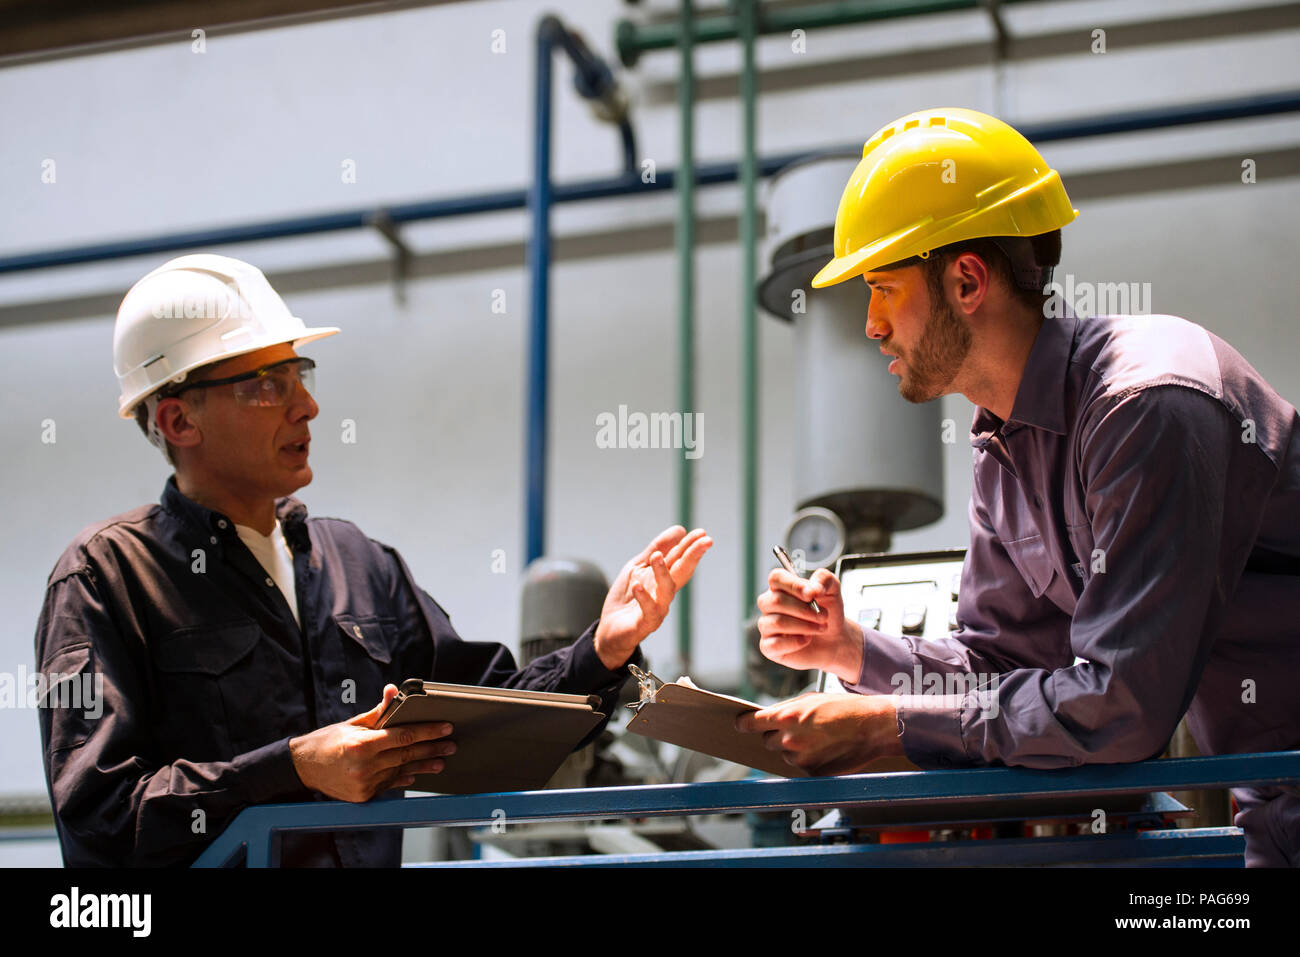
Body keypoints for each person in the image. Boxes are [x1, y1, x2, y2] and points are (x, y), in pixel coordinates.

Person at [744, 107, 1300, 866]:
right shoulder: (1004, 441)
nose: (871, 324)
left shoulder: (1146, 405)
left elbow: (1120, 705)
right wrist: (852, 651)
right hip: (1274, 804)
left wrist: (885, 724)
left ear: (967, 279)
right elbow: (1003, 663)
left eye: (883, 288)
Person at [35, 254, 711, 867]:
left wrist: (603, 649)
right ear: (181, 421)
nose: (308, 404)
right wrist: (293, 768)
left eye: (299, 372)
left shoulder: (360, 565)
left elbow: (491, 725)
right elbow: (101, 818)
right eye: (266, 383)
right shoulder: (106, 578)